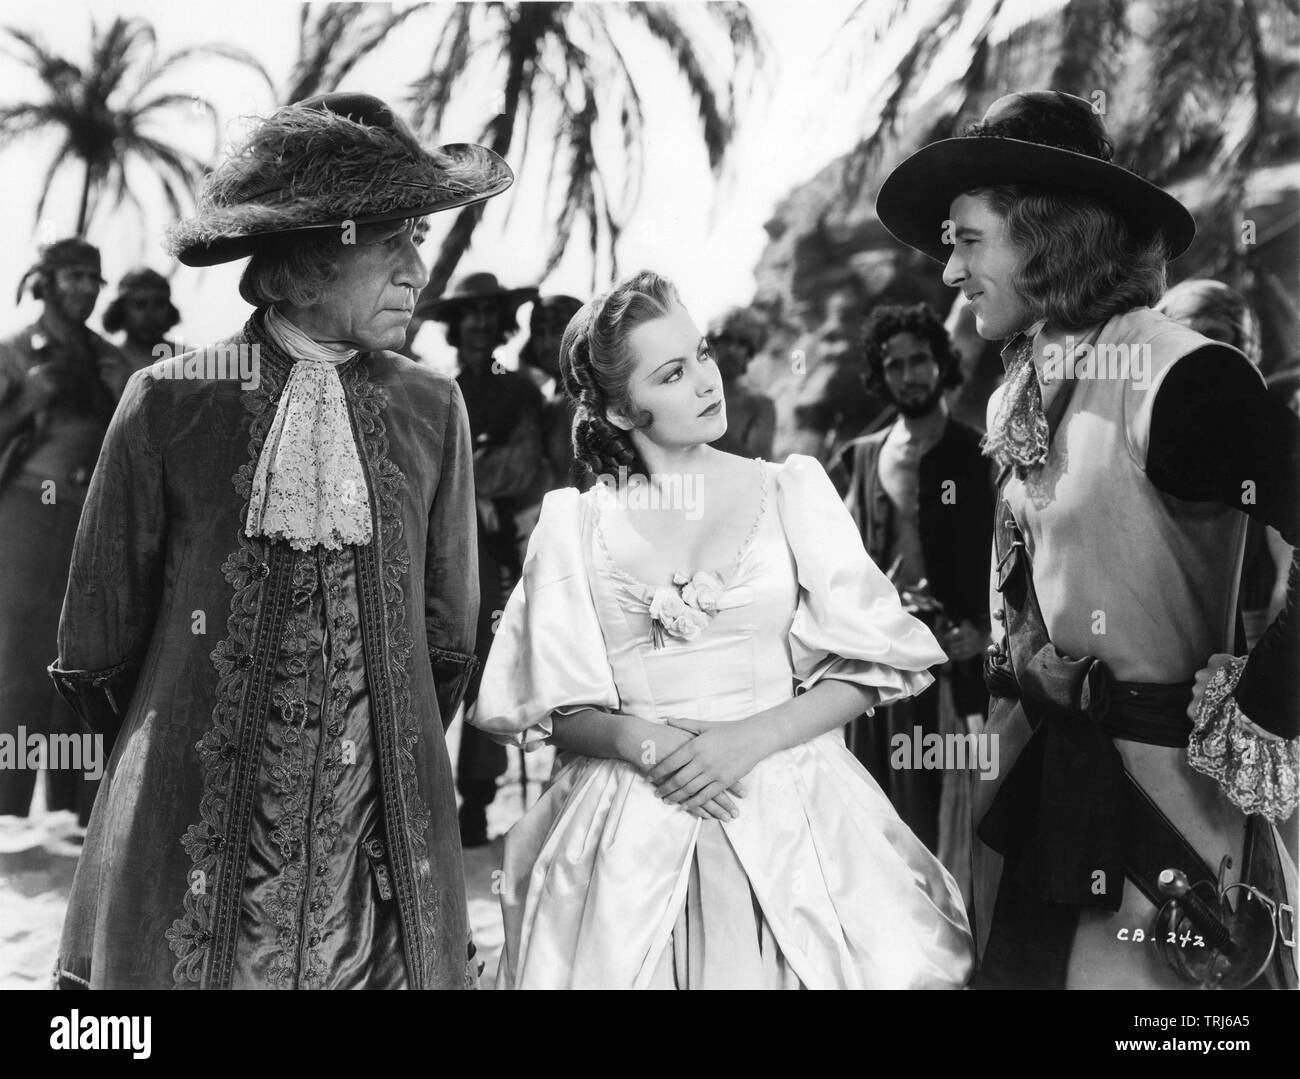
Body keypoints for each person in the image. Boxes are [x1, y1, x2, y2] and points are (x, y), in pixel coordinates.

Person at [46, 92, 510, 988]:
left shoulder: (432, 406)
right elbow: (96, 647)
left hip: (378, 844)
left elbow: (450, 635)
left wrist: (384, 739)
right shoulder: (168, 400)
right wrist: (182, 746)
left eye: (419, 239)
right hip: (191, 834)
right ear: (304, 264)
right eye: (391, 243)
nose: (419, 268)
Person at [877, 89, 1299, 989]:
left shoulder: (1183, 376)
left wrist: (1266, 703)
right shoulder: (1014, 392)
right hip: (1048, 807)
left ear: (1045, 233)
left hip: (1170, 831)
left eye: (966, 240)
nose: (948, 271)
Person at [471, 270, 973, 989]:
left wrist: (747, 739)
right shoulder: (573, 524)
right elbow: (558, 710)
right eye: (673, 373)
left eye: (702, 353)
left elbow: (869, 667)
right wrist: (645, 742)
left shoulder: (789, 488)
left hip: (787, 797)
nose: (708, 381)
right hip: (634, 819)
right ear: (619, 412)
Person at [833, 302, 994, 896]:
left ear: (942, 363)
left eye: (920, 359)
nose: (909, 374)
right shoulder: (862, 458)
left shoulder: (982, 455)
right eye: (893, 364)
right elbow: (837, 568)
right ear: (881, 375)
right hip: (883, 671)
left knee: (958, 828)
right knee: (885, 822)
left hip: (959, 674)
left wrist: (988, 631)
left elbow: (1018, 565)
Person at [0, 239, 128, 824]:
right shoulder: (14, 352)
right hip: (27, 514)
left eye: (93, 279)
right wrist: (23, 403)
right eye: (73, 276)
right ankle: (6, 815)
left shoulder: (109, 358)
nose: (84, 289)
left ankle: (70, 822)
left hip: (92, 518)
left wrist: (118, 389)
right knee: (18, 664)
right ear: (45, 281)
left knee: (82, 666)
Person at [425, 271, 543, 847]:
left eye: (487, 315)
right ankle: (425, 793)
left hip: (492, 547)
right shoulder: (433, 388)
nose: (477, 324)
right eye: (467, 315)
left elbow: (522, 467)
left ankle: (476, 798)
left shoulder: (518, 390)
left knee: (485, 663)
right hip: (437, 546)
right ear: (454, 326)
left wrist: (476, 483)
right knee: (431, 660)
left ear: (501, 326)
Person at [1155, 280, 1286, 650]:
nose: (1203, 354)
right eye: (1190, 339)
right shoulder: (1142, 425)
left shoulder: (1267, 421)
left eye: (1215, 337)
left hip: (1254, 624)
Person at [518, 293, 585, 494]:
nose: (547, 344)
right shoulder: (552, 400)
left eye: (557, 331)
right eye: (539, 333)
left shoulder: (583, 403)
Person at [706, 306, 775, 460]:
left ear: (752, 352)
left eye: (743, 343)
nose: (732, 349)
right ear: (710, 342)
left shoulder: (760, 405)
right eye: (724, 338)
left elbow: (761, 469)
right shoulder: (686, 390)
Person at [101, 266, 182, 390]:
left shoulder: (188, 360)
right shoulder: (110, 364)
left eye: (159, 303)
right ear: (121, 311)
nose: (151, 314)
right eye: (140, 304)